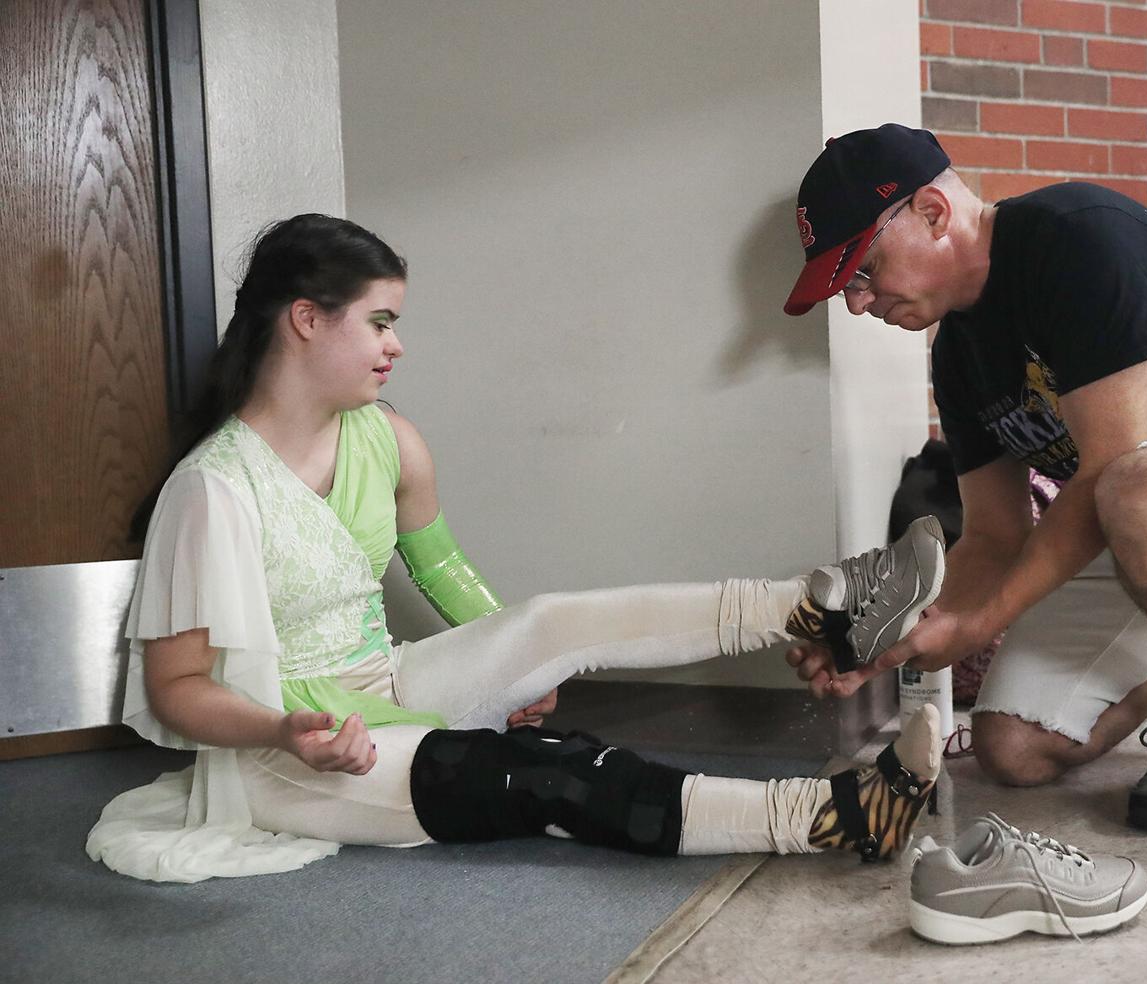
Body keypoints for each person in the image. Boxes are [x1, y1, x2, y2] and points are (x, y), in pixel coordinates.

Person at [87, 213, 949, 884]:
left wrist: (519, 665)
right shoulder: (213, 487)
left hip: (384, 681)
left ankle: (818, 607)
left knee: (549, 620)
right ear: (307, 320)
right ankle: (836, 817)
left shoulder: (387, 438)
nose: (396, 344)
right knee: (545, 774)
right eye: (379, 322)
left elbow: (440, 567)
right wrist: (284, 730)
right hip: (288, 756)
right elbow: (177, 690)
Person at [780, 124, 1147, 834]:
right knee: (1014, 746)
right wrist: (877, 637)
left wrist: (981, 623)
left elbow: (1109, 469)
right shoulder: (959, 354)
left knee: (1139, 481)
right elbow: (995, 537)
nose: (857, 302)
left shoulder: (1076, 238)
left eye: (863, 270)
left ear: (933, 214)